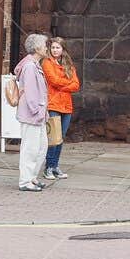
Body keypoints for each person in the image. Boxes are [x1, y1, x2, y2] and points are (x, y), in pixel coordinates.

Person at [13, 33, 50, 193]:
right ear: (37, 48)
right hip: (32, 115)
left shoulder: (34, 64)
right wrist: (38, 110)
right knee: (30, 148)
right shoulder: (29, 66)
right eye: (44, 45)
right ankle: (25, 181)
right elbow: (31, 92)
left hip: (38, 114)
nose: (47, 48)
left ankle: (32, 177)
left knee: (41, 146)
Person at [41, 36, 80, 181]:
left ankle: (55, 165)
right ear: (49, 49)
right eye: (53, 48)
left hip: (66, 105)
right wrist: (67, 83)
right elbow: (53, 80)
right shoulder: (47, 63)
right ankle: (48, 167)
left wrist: (64, 85)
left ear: (63, 49)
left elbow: (76, 85)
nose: (55, 50)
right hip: (53, 104)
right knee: (53, 137)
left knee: (61, 137)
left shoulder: (68, 64)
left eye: (58, 47)